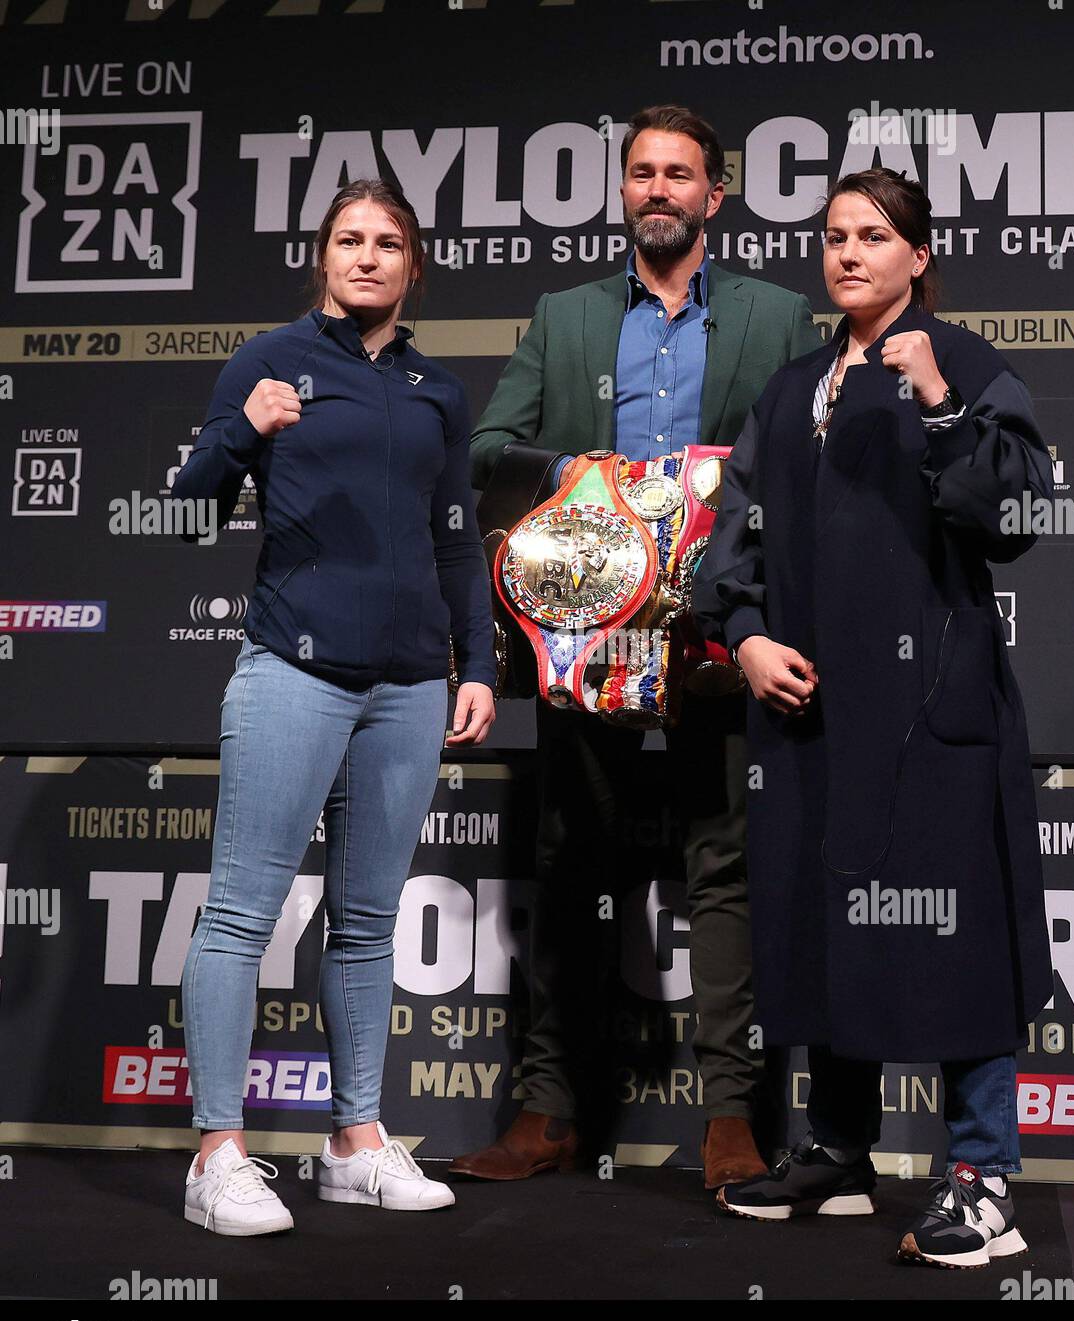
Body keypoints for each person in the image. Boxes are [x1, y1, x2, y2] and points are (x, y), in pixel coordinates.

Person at [451, 105, 818, 1191]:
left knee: (726, 867)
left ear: (715, 194)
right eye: (641, 174)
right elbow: (484, 447)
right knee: (572, 862)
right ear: (624, 193)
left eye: (679, 175)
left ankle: (732, 1120)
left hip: (720, 632)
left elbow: (805, 458)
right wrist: (593, 490)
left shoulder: (775, 314)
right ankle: (548, 1109)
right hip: (584, 637)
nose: (658, 190)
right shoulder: (563, 317)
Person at [693, 167, 1053, 1268]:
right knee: (817, 924)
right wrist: (744, 636)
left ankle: (981, 1175)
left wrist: (939, 399)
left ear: (916, 254)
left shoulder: (968, 366)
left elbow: (1018, 511)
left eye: (872, 236)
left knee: (957, 939)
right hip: (808, 719)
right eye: (834, 236)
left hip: (929, 716)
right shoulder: (788, 385)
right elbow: (729, 538)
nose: (847, 252)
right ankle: (837, 1151)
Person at [171, 177, 497, 1235]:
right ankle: (217, 1152)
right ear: (322, 257)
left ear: (413, 265)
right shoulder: (269, 361)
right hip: (293, 670)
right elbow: (186, 512)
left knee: (364, 922)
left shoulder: (438, 392)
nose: (366, 256)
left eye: (387, 242)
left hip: (408, 685)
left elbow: (455, 536)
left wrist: (479, 664)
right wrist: (239, 434)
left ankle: (354, 1139)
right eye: (348, 240)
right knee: (237, 914)